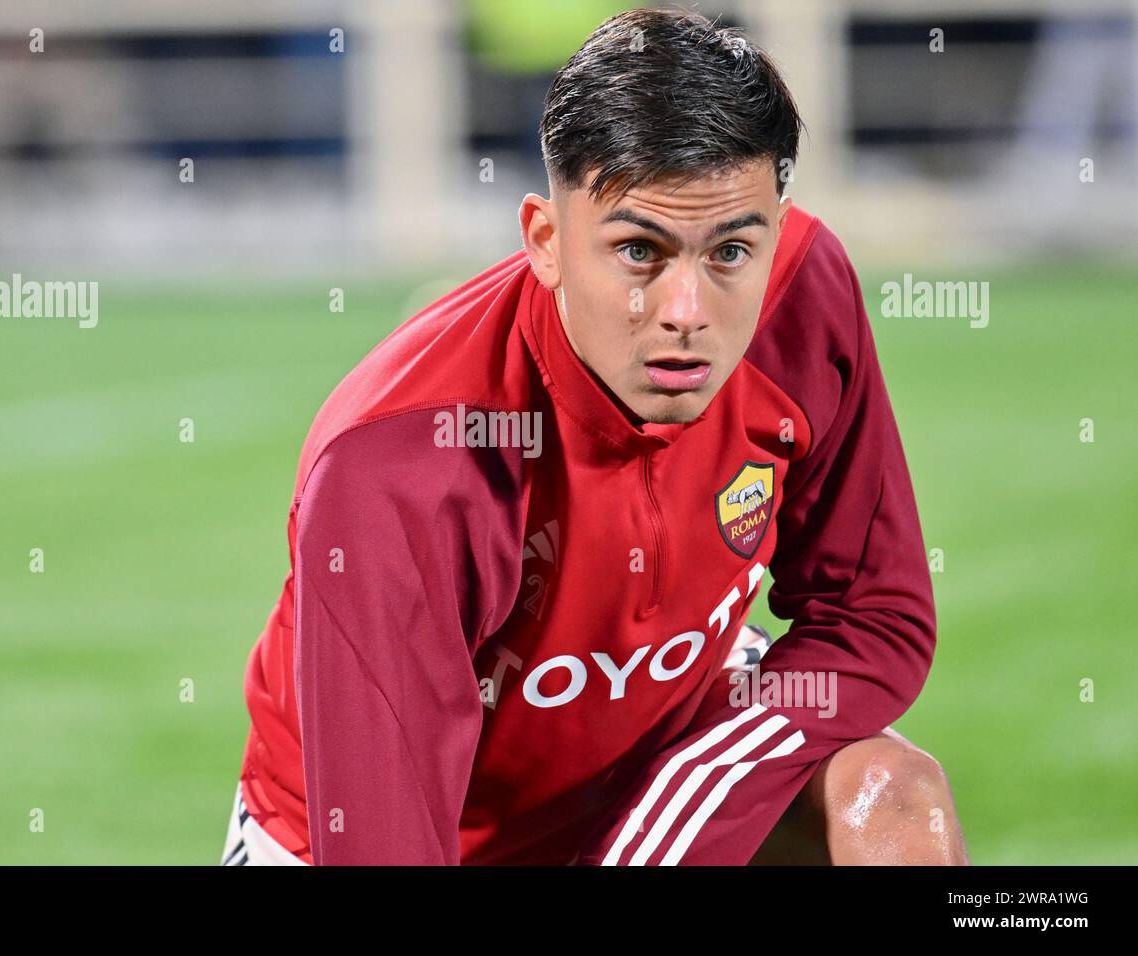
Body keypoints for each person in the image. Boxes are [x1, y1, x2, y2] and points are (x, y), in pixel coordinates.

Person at [224, 8, 968, 866]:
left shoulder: (801, 290)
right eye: (639, 251)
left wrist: (680, 815)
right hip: (384, 836)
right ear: (546, 240)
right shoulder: (399, 465)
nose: (687, 315)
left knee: (896, 808)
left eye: (730, 251)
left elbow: (874, 618)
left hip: (655, 768)